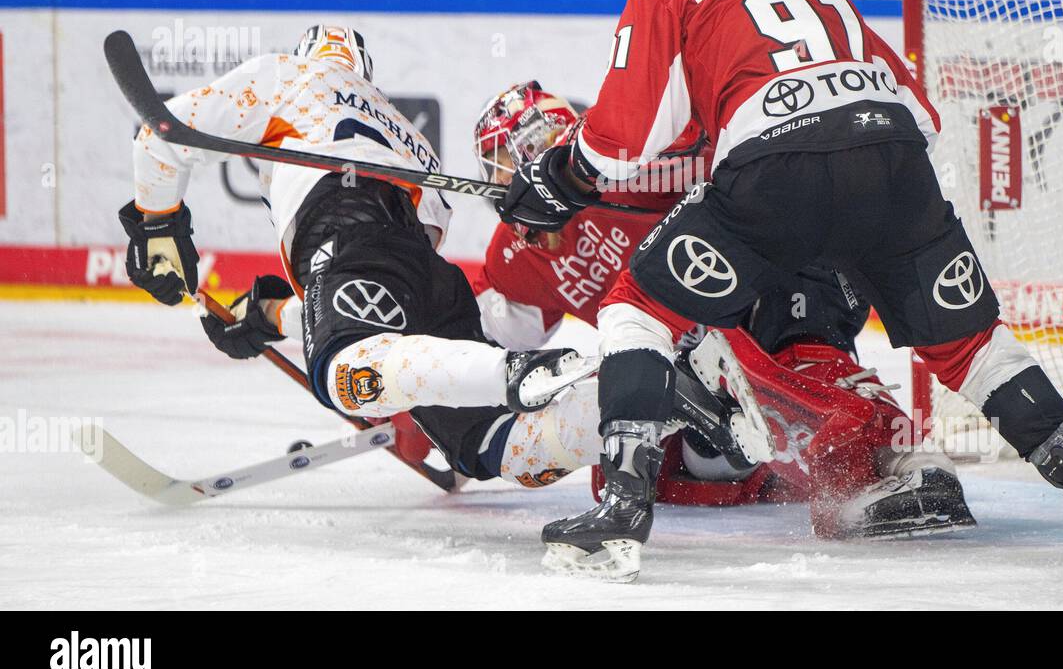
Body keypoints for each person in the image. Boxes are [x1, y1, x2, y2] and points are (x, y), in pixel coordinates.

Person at [496, 0, 1063, 581]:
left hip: (775, 174)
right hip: (893, 164)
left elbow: (619, 144)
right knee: (974, 346)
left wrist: (557, 178)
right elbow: (921, 113)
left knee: (638, 309)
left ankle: (623, 512)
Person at [118, 24, 762, 491]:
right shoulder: (415, 145)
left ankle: (533, 373)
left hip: (348, 229)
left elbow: (162, 135)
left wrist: (156, 225)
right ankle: (645, 393)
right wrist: (278, 317)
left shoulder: (292, 75)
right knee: (487, 446)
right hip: (420, 268)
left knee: (344, 371)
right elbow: (405, 284)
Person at [474, 81, 974, 534]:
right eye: (499, 173)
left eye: (521, 161)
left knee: (798, 352)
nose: (512, 185)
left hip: (788, 254)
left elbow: (741, 160)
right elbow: (490, 348)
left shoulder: (630, 159)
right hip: (702, 341)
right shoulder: (515, 258)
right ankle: (775, 467)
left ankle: (914, 464)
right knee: (651, 460)